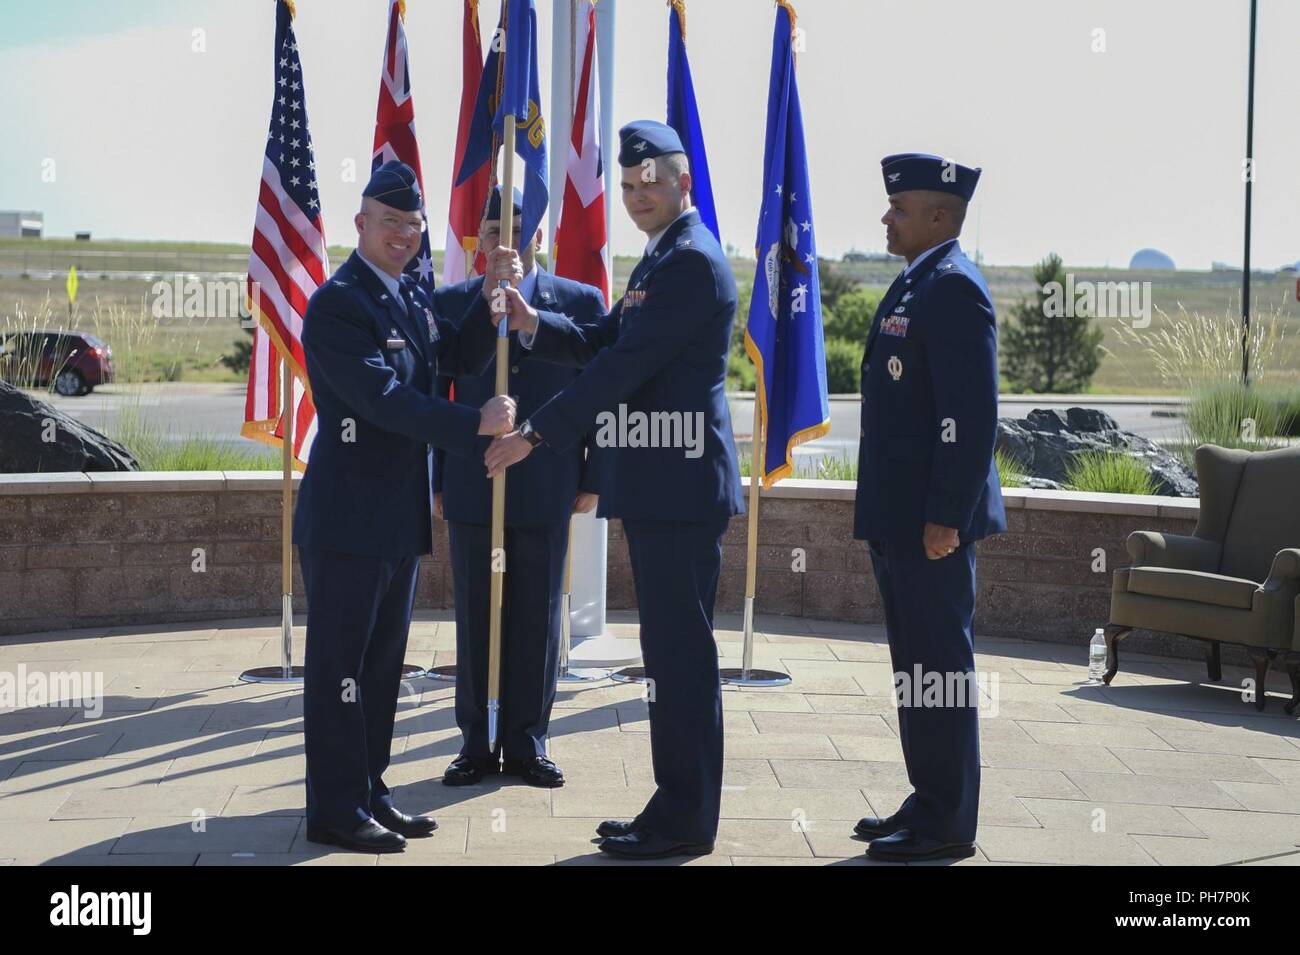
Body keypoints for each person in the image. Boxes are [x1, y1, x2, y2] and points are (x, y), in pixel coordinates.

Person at [483, 120, 743, 860]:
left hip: (682, 486)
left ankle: (685, 821)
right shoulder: (664, 258)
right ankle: (673, 807)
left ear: (681, 181)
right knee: (668, 657)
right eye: (625, 187)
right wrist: (538, 323)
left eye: (646, 185)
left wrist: (535, 432)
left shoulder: (691, 262)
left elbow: (618, 371)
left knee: (682, 659)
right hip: (663, 486)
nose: (634, 197)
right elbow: (605, 339)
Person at [293, 160, 516, 853]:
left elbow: (451, 354)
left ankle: (370, 787)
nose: (404, 234)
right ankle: (334, 807)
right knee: (341, 669)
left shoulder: (409, 297)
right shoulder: (339, 304)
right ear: (361, 224)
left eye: (413, 225)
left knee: (383, 666)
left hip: (395, 518)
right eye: (390, 222)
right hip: (347, 519)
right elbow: (382, 401)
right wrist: (472, 423)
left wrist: (489, 294)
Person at [852, 152, 1006, 862]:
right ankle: (928, 798)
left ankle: (948, 821)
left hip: (932, 526)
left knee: (939, 668)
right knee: (917, 669)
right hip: (901, 520)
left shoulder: (953, 290)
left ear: (941, 216)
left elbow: (970, 418)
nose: (887, 217)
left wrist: (947, 512)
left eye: (900, 208)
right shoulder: (918, 283)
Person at [430, 185, 606, 788]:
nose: (501, 242)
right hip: (475, 481)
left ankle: (529, 741)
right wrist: (437, 478)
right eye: (489, 232)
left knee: (536, 616)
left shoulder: (578, 300)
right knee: (477, 617)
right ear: (477, 242)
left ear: (537, 237)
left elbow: (600, 389)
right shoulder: (452, 303)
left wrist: (595, 475)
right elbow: (437, 393)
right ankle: (476, 743)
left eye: (514, 230)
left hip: (548, 479)